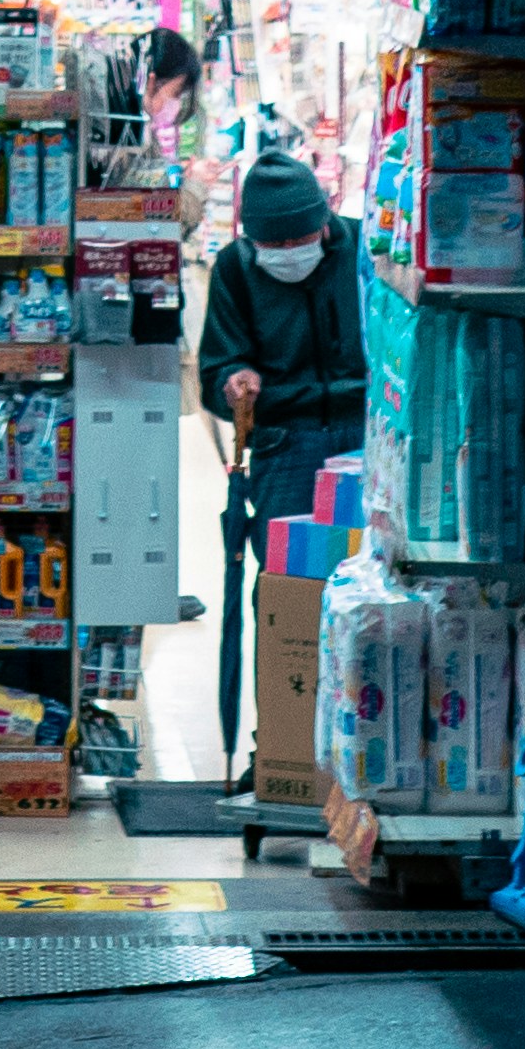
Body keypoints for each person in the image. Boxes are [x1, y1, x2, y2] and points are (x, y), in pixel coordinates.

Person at [192, 154, 365, 793]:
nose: (290, 253)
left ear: (324, 220)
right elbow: (216, 366)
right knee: (288, 598)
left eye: (300, 239)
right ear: (252, 238)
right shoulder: (237, 268)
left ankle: (362, 751)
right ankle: (282, 751)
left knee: (373, 590)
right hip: (285, 447)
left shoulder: (365, 250)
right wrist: (233, 379)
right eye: (275, 245)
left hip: (366, 437)